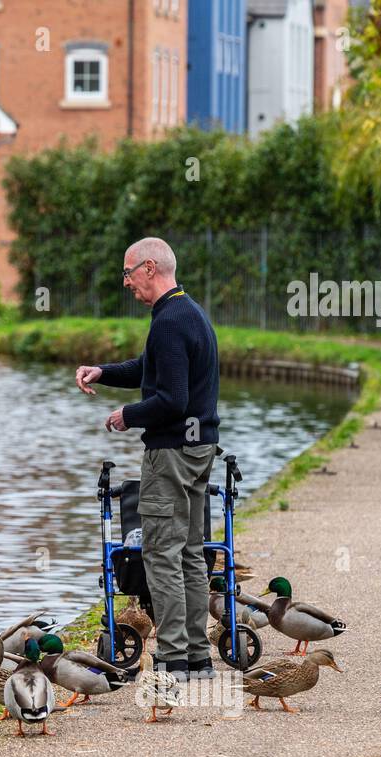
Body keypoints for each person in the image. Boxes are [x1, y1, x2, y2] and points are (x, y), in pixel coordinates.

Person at [74, 237, 220, 681]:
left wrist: (127, 416)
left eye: (128, 273)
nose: (126, 282)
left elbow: (172, 399)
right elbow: (151, 368)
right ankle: (197, 658)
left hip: (171, 452)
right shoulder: (187, 312)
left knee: (160, 552)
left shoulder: (170, 322)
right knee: (192, 553)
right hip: (200, 448)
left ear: (149, 268)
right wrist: (105, 371)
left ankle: (173, 658)